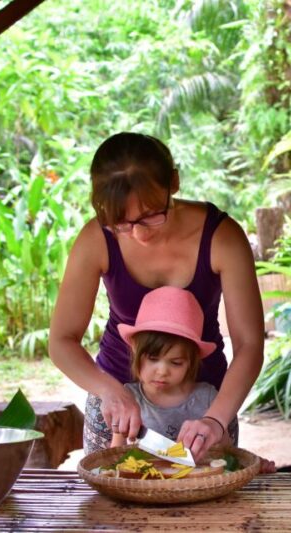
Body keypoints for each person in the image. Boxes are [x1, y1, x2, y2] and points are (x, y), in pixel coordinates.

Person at [49, 132, 264, 460]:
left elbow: (250, 345)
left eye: (151, 215)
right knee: (113, 501)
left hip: (204, 407)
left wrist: (215, 419)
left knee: (209, 500)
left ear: (173, 182)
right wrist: (110, 391)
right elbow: (61, 341)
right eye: (121, 222)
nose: (138, 233)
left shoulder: (222, 237)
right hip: (119, 405)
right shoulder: (97, 238)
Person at [110, 286, 276, 473]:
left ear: (191, 362)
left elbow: (228, 455)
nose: (162, 371)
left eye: (176, 362)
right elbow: (115, 459)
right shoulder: (128, 401)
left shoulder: (207, 398)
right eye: (153, 359)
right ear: (135, 351)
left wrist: (251, 465)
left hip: (200, 490)